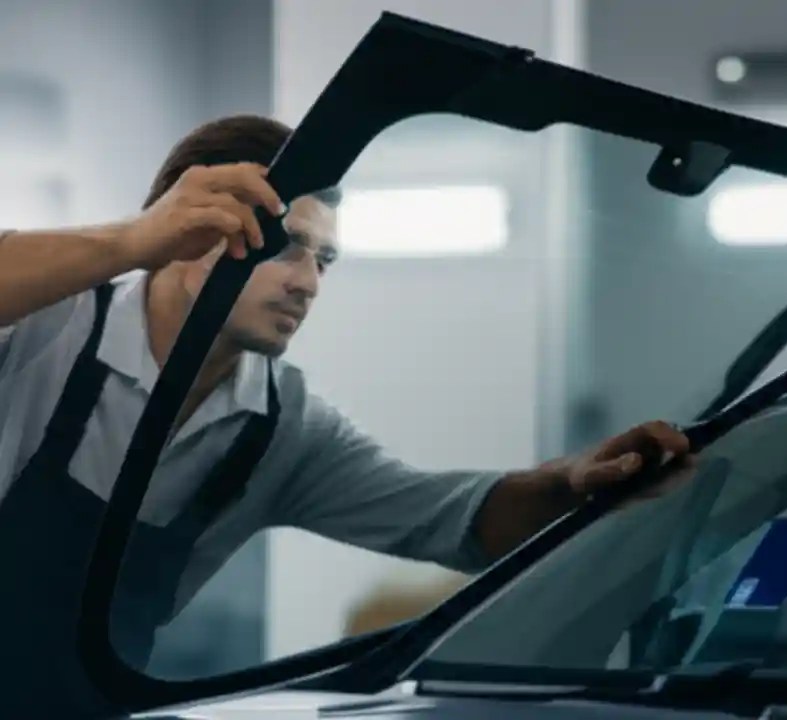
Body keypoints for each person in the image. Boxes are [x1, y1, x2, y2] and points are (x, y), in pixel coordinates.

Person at [0, 114, 693, 715]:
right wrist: (132, 240)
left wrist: (569, 484)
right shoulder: (47, 322)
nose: (307, 282)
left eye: (325, 259)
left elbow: (453, 521)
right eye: (287, 247)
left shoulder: (283, 426)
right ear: (188, 229)